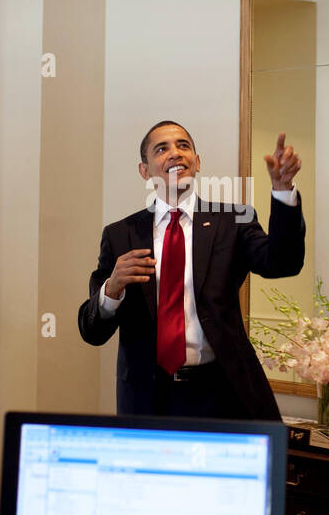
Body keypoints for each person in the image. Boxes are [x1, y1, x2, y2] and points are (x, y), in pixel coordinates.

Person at [78, 120, 305, 419]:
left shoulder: (233, 220)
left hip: (222, 393)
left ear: (196, 162)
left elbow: (282, 263)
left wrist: (283, 191)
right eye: (162, 149)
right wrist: (113, 287)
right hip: (147, 397)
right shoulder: (120, 234)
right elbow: (92, 330)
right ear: (145, 171)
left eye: (183, 146)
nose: (175, 153)